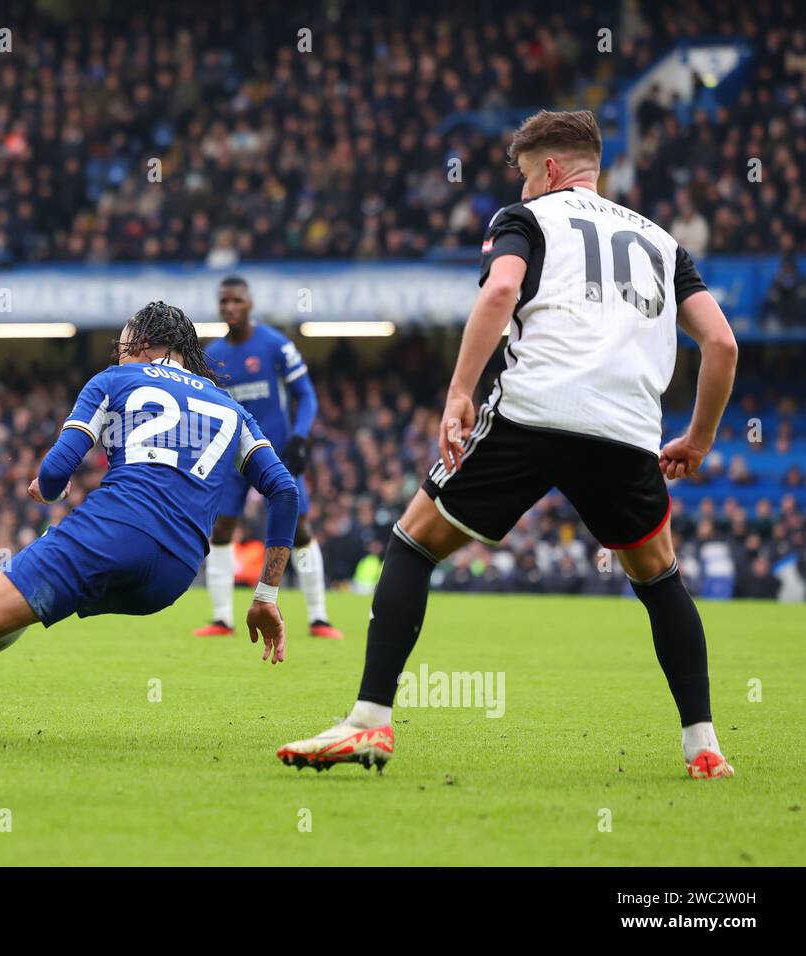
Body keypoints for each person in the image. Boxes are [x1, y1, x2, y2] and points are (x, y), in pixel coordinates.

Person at [278, 110, 739, 780]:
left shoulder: (528, 217)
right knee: (660, 579)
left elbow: (500, 290)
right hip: (626, 432)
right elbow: (721, 344)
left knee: (411, 541)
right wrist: (697, 439)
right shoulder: (664, 245)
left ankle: (369, 723)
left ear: (549, 171)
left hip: (534, 411)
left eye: (526, 177)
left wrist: (460, 392)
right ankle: (704, 747)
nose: (522, 189)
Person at [0, 302, 299, 750]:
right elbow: (285, 492)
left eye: (123, 343)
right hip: (173, 574)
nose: (118, 352)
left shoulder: (113, 380)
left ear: (144, 345)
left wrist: (48, 487)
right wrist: (265, 596)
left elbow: (58, 470)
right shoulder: (233, 411)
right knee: (22, 607)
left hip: (115, 530)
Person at [195, 276, 342, 639]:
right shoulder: (212, 355)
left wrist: (299, 438)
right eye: (224, 302)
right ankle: (222, 618)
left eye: (236, 301)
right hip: (232, 454)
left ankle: (319, 618)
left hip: (274, 452)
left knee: (302, 527)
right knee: (223, 528)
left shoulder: (276, 345)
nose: (230, 307)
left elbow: (306, 395)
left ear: (250, 304)